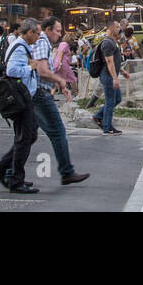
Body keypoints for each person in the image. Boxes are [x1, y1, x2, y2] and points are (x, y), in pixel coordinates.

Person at [28, 17, 89, 186]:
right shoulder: (42, 42)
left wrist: (59, 84)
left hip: (39, 93)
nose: (59, 34)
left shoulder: (46, 43)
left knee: (28, 136)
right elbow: (41, 70)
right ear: (47, 30)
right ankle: (67, 172)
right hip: (40, 95)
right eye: (57, 30)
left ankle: (7, 170)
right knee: (58, 131)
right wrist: (61, 81)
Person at [0, 19, 42, 194]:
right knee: (25, 138)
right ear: (28, 32)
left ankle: (5, 168)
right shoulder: (20, 47)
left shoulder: (22, 46)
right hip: (20, 99)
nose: (38, 36)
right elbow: (12, 70)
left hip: (24, 97)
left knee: (29, 136)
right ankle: (14, 178)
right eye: (37, 33)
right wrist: (30, 67)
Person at [91, 20, 130, 135]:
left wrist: (122, 72)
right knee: (110, 101)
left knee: (117, 99)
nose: (120, 29)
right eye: (117, 27)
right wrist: (115, 78)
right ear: (111, 28)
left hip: (112, 75)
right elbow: (109, 62)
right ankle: (107, 127)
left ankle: (98, 116)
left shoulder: (113, 42)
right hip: (108, 76)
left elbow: (115, 61)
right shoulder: (107, 43)